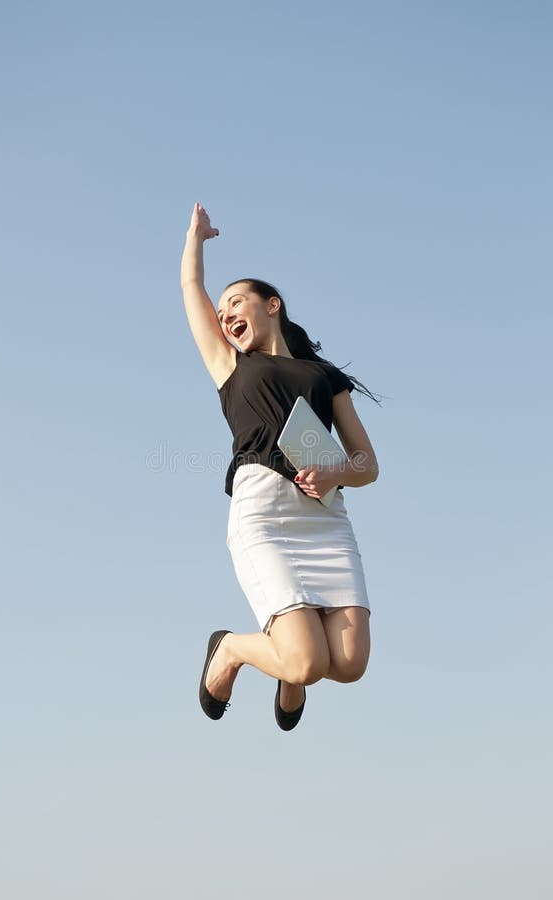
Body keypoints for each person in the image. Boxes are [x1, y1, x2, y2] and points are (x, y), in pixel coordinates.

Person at [180, 202, 382, 730]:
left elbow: (367, 464)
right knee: (307, 662)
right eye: (221, 312)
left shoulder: (324, 374)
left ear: (272, 305)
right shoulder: (231, 366)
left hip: (325, 518)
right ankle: (229, 649)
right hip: (264, 514)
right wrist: (195, 241)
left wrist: (336, 472)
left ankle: (287, 662)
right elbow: (190, 293)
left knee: (350, 664)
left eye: (236, 302)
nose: (225, 315)